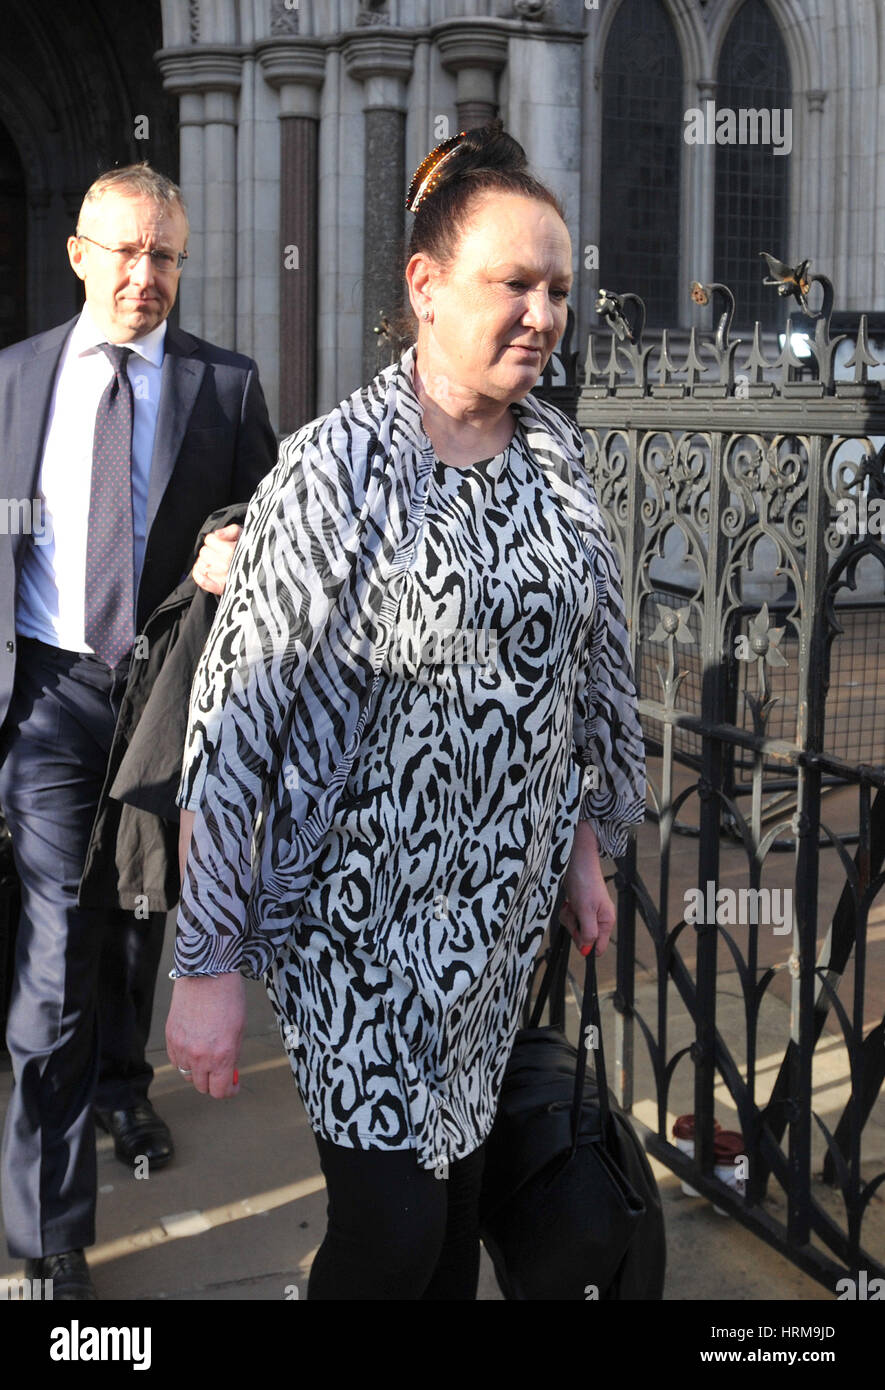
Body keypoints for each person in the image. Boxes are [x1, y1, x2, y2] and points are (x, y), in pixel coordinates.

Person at [166, 122, 646, 1300]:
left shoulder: (558, 464)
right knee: (389, 1235)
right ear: (425, 288)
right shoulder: (332, 472)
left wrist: (584, 845)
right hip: (362, 936)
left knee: (454, 1224)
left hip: (496, 929)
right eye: (514, 284)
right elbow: (233, 725)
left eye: (558, 291)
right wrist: (206, 963)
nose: (542, 313)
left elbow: (581, 684)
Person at [0, 163, 276, 1298]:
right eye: (123, 253)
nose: (144, 277)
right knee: (57, 951)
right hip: (54, 696)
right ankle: (50, 1233)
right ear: (79, 255)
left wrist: (234, 543)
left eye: (165, 255)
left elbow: (263, 511)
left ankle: (122, 1091)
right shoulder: (15, 381)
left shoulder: (224, 384)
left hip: (166, 696)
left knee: (135, 915)